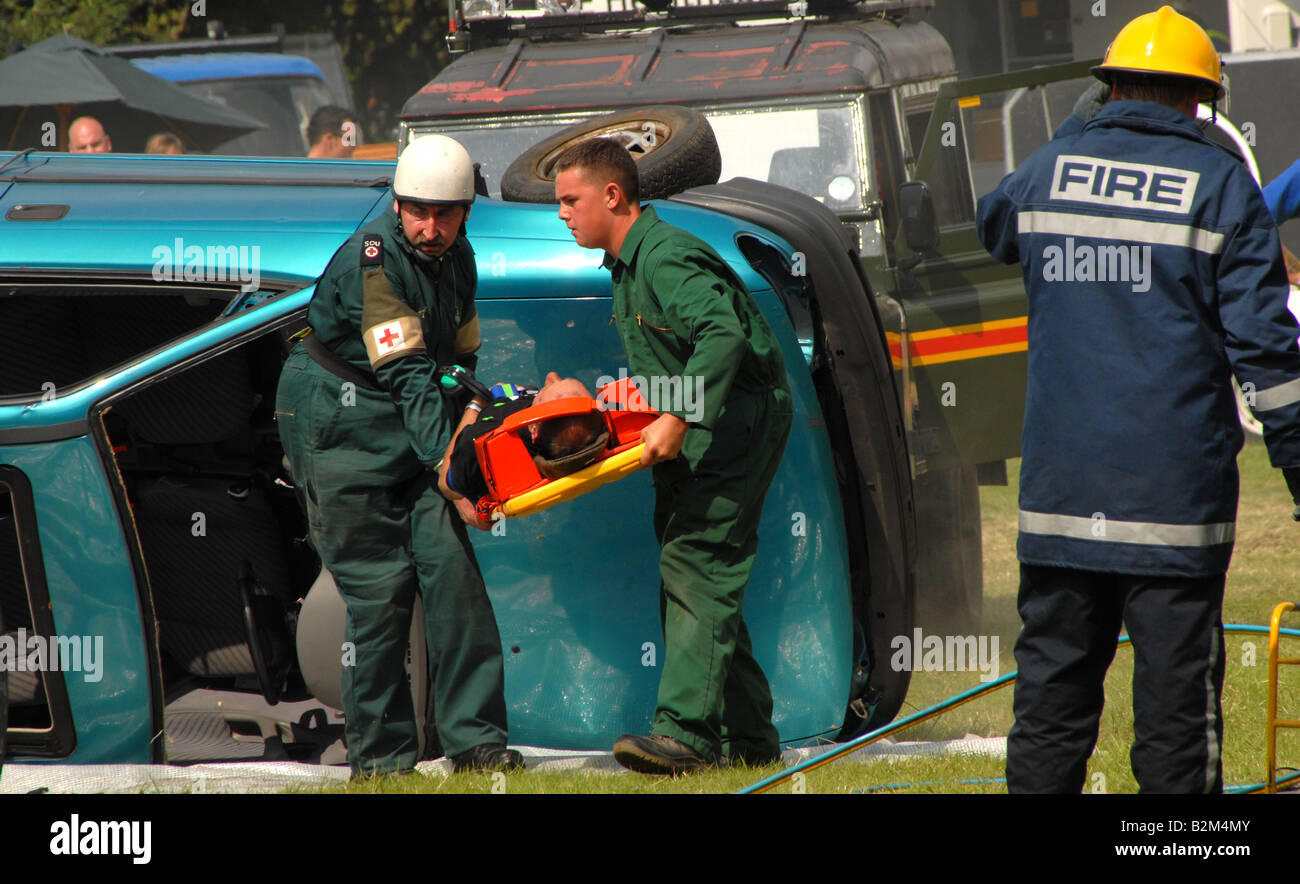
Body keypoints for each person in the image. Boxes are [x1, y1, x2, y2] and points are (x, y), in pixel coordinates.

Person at [976, 5, 1300, 793]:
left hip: (1061, 502)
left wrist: (1078, 134)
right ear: (1203, 103)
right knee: (1176, 716)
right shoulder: (1222, 186)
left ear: (1108, 89)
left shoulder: (1049, 170)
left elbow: (995, 226)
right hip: (1172, 511)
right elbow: (1269, 358)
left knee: (1050, 707)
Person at [275, 135, 522, 776]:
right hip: (339, 427)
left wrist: (471, 424)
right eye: (417, 211)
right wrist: (451, 469)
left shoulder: (458, 256)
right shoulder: (375, 262)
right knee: (379, 594)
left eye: (445, 213)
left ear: (467, 212)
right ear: (398, 203)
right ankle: (382, 765)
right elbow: (411, 374)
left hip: (412, 421)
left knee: (455, 576)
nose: (431, 227)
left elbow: (458, 360)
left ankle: (478, 744)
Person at [554, 137, 793, 774]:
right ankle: (748, 740)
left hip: (734, 425)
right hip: (707, 427)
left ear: (612, 195)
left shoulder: (663, 258)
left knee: (697, 562)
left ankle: (686, 736)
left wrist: (681, 415)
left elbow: (724, 334)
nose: (562, 213)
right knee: (698, 572)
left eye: (571, 200)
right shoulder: (629, 266)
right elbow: (671, 363)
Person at [437, 373, 607, 529]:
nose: (551, 376)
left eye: (541, 395)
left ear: (534, 430)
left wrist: (477, 404)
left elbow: (446, 486)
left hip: (478, 479)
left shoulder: (486, 437)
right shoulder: (600, 436)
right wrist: (533, 396)